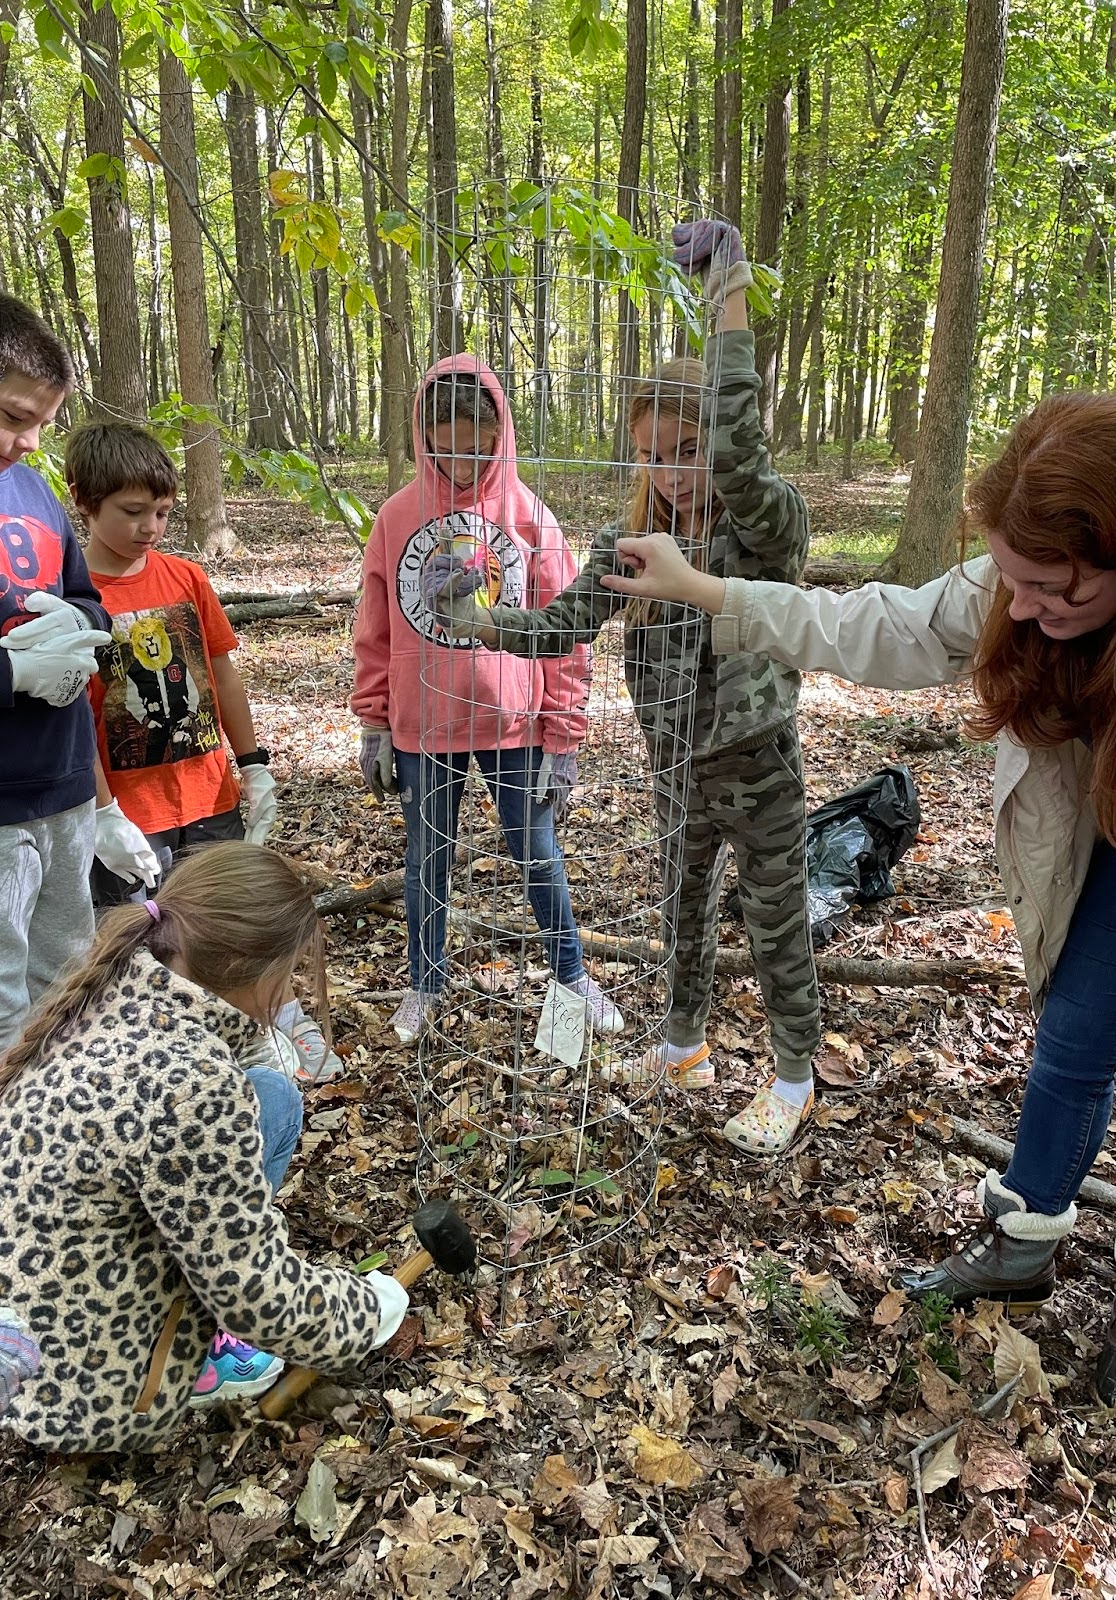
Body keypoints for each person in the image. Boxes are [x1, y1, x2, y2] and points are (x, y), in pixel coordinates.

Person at [601, 389, 1116, 1421]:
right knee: (1075, 1038)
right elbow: (876, 624)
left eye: (1051, 589)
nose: (1019, 609)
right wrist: (705, 588)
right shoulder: (1023, 584)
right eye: (1009, 580)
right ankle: (1024, 1239)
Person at [428, 220, 818, 1155]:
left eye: (685, 450)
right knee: (683, 914)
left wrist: (728, 294)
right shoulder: (633, 545)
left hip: (757, 769)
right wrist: (480, 622)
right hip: (676, 774)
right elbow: (561, 623)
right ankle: (683, 1045)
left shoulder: (764, 530)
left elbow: (739, 455)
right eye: (652, 453)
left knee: (775, 926)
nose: (671, 473)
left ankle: (794, 1077)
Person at [0, 842, 410, 1452]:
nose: (290, 989)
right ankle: (204, 1362)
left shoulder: (112, 986)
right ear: (249, 963)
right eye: (290, 969)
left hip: (33, 1327)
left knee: (271, 1096)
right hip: (97, 1396)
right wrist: (364, 1311)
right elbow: (256, 1293)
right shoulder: (193, 1085)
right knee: (262, 1117)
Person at [352, 356, 623, 1044]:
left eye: (478, 443)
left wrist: (561, 739)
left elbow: (569, 632)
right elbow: (376, 629)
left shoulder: (530, 516)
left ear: (499, 435)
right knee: (426, 860)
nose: (464, 458)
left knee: (536, 850)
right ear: (424, 436)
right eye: (447, 442)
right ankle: (425, 981)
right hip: (422, 729)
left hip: (515, 725)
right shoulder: (396, 517)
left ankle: (571, 976)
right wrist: (375, 724)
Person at [66, 421, 332, 1081]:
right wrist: (101, 813)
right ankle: (154, 1064)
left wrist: (256, 765)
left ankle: (265, 1030)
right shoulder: (73, 597)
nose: (150, 525)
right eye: (132, 512)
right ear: (84, 502)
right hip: (129, 814)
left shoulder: (186, 577)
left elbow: (224, 676)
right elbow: (72, 712)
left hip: (208, 794)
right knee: (138, 941)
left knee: (233, 923)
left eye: (161, 511)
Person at [0, 294, 111, 1052]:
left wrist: (82, 632)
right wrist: (8, 673)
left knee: (67, 980)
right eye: (12, 416)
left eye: (42, 421)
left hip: (63, 782)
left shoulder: (32, 490)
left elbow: (86, 597)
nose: (29, 441)